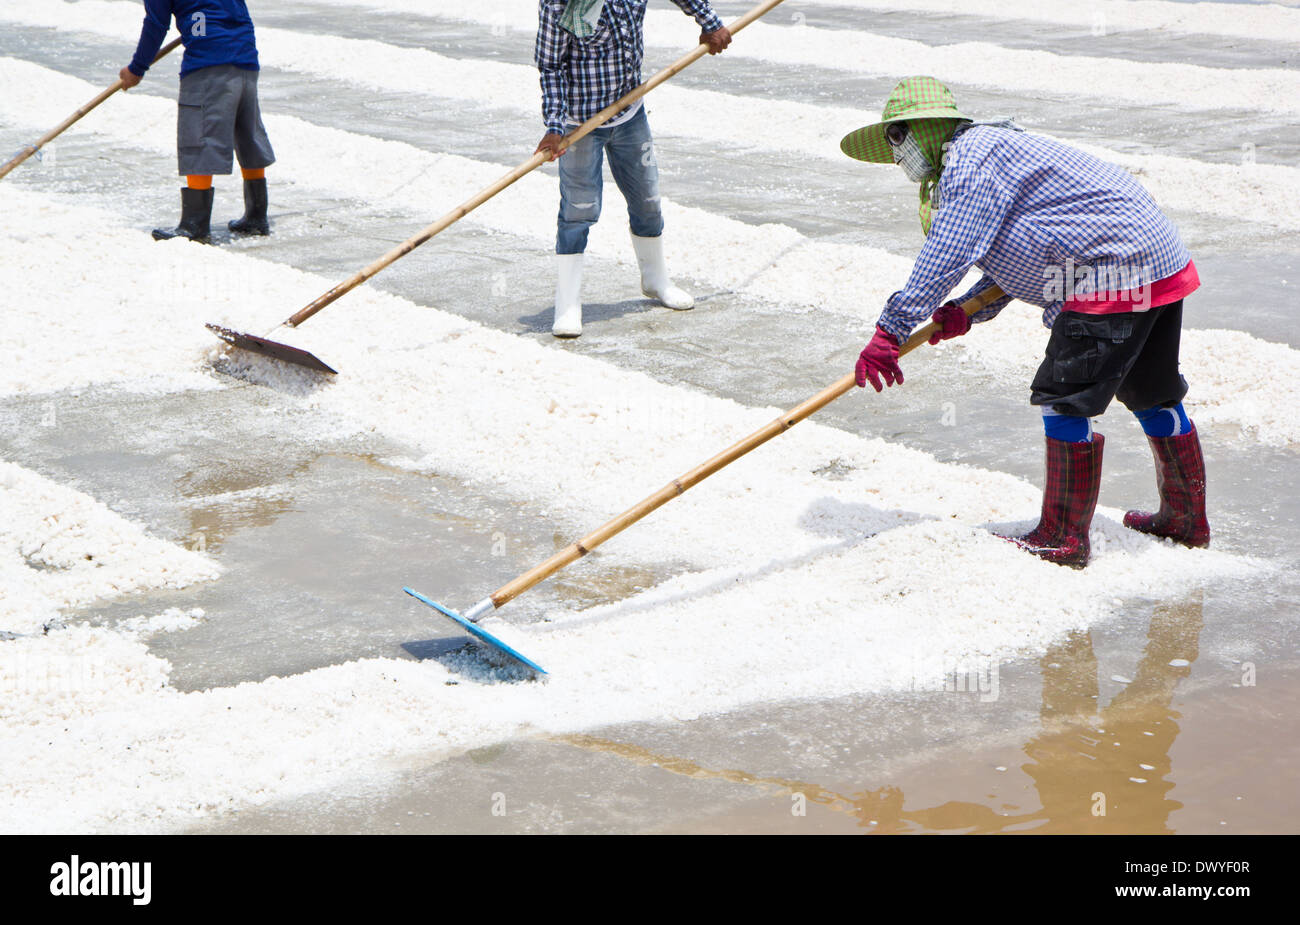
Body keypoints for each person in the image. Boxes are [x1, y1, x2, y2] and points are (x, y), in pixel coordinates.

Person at [840, 76, 1210, 569]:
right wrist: (969, 309)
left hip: (1110, 274)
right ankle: (1185, 521)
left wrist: (891, 330)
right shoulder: (993, 151)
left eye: (897, 136)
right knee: (1152, 392)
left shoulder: (967, 164)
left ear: (926, 127)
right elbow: (1035, 247)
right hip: (1154, 263)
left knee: (1065, 398)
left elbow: (948, 251)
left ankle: (1061, 537)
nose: (898, 153)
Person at [535, 0, 732, 337]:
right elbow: (550, 65)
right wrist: (554, 127)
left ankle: (655, 280)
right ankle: (567, 303)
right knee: (579, 209)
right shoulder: (559, 3)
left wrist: (709, 21)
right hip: (578, 125)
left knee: (648, 200)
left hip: (630, 114)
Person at [120, 0, 275, 242]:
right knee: (247, 132)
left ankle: (195, 225)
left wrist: (136, 68)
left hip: (207, 63)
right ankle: (256, 216)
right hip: (245, 57)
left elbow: (156, 24)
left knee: (200, 136)